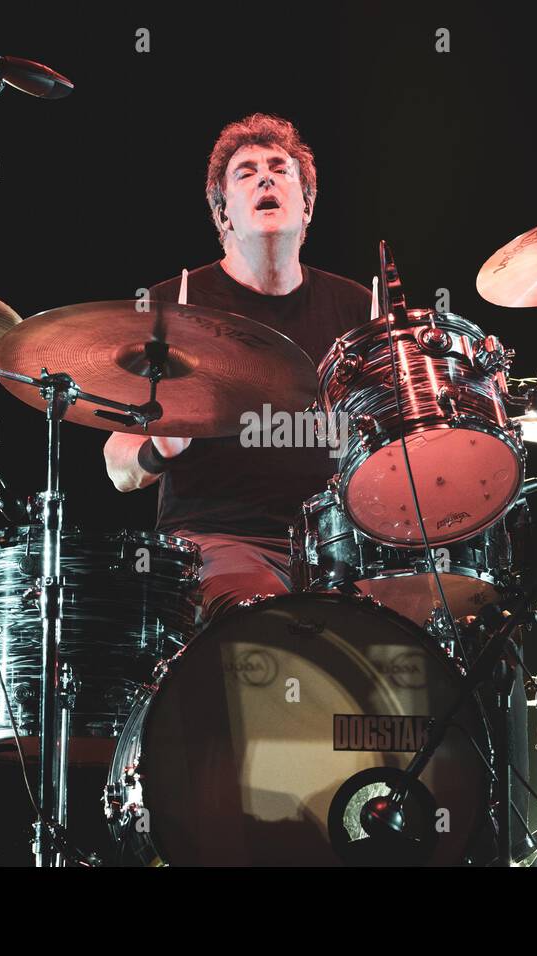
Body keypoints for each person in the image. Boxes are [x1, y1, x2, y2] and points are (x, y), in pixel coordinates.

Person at [103, 113, 371, 622]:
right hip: (217, 541)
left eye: (280, 169)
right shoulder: (173, 307)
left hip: (337, 548)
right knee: (267, 620)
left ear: (308, 205)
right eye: (246, 172)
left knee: (409, 628)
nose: (266, 177)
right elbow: (117, 467)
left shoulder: (357, 308)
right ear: (223, 214)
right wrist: (158, 446)